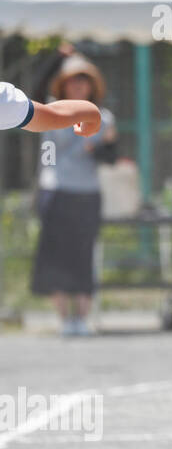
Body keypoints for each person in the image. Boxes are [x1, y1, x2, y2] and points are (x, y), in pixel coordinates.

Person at [30, 55, 118, 337]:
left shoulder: (104, 117)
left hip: (87, 191)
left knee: (83, 254)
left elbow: (111, 156)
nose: (79, 86)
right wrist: (57, 58)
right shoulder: (50, 110)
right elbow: (33, 92)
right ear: (64, 86)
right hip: (56, 189)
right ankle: (64, 318)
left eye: (84, 81)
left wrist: (102, 150)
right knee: (56, 255)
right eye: (73, 81)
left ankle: (82, 317)